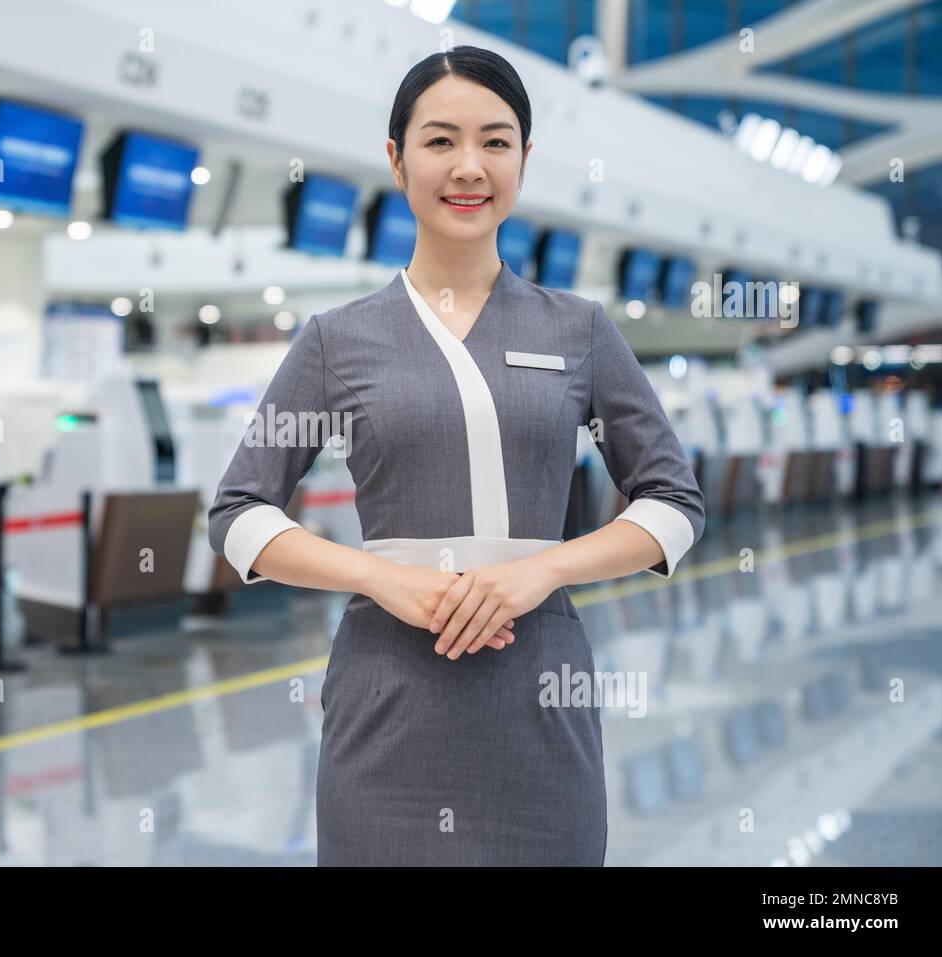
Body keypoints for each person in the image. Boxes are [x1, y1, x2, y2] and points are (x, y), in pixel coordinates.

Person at [208, 45, 705, 866]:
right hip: (388, 697)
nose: (468, 166)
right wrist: (377, 575)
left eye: (495, 141)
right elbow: (238, 514)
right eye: (440, 141)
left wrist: (543, 570)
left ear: (524, 160)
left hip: (540, 693)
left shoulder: (577, 330)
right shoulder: (340, 340)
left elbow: (673, 501)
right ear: (398, 160)